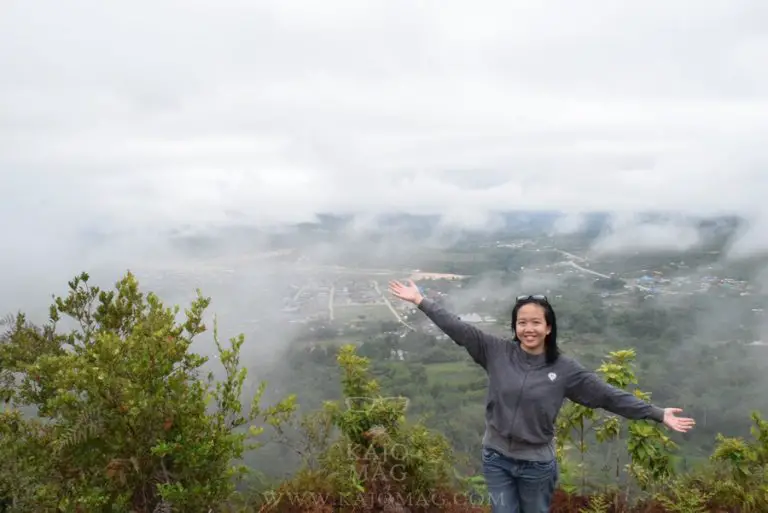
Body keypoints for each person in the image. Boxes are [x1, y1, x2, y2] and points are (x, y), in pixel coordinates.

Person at [387, 279, 695, 513]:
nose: (528, 329)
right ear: (515, 327)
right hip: (496, 458)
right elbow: (458, 328)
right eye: (522, 322)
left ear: (548, 328)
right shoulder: (495, 351)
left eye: (536, 322)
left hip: (536, 464)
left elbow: (607, 395)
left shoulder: (565, 369)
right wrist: (420, 301)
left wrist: (657, 413)